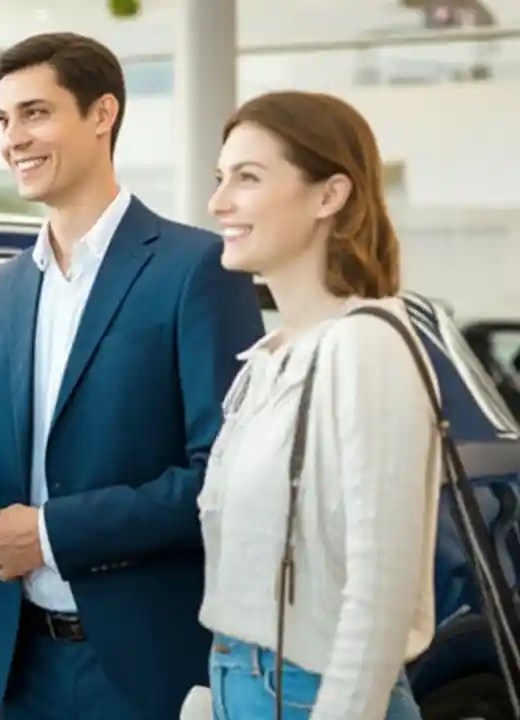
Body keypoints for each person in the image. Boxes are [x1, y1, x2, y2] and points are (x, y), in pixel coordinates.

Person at [0, 32, 265, 719]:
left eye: (35, 113)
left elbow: (224, 480)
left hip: (148, 668)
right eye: (3, 120)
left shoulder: (196, 271)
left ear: (102, 115)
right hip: (26, 663)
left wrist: (54, 532)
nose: (13, 139)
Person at [199, 90, 435, 719]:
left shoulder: (364, 346)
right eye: (220, 179)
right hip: (241, 685)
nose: (218, 202)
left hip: (310, 695)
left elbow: (380, 594)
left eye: (248, 178)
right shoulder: (271, 357)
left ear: (330, 196)